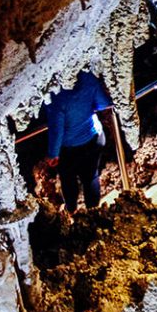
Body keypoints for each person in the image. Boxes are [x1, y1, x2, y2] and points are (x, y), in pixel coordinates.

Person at [41, 70, 113, 211]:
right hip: (94, 137)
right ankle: (93, 213)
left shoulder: (55, 94)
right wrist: (87, 108)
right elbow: (103, 103)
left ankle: (71, 213)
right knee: (91, 177)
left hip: (69, 149)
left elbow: (57, 129)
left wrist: (53, 153)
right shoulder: (88, 77)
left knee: (68, 181)